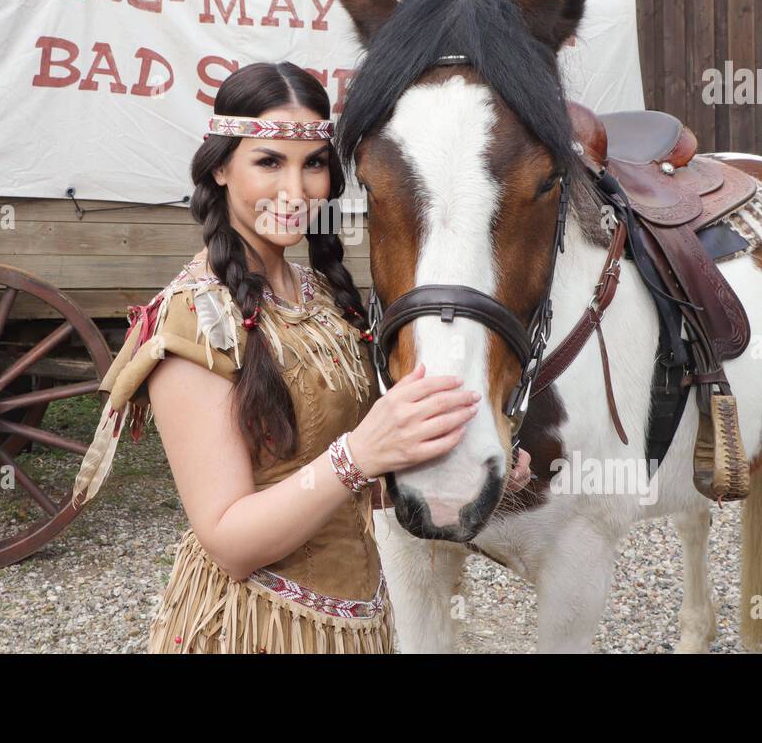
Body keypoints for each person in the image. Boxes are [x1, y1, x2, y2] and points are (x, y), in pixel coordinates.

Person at [71, 61, 527, 653]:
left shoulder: (325, 298)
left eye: (313, 164)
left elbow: (337, 479)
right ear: (219, 167)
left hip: (355, 628)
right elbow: (230, 542)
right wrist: (360, 453)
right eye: (268, 162)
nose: (297, 190)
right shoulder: (193, 320)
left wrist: (449, 461)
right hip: (251, 628)